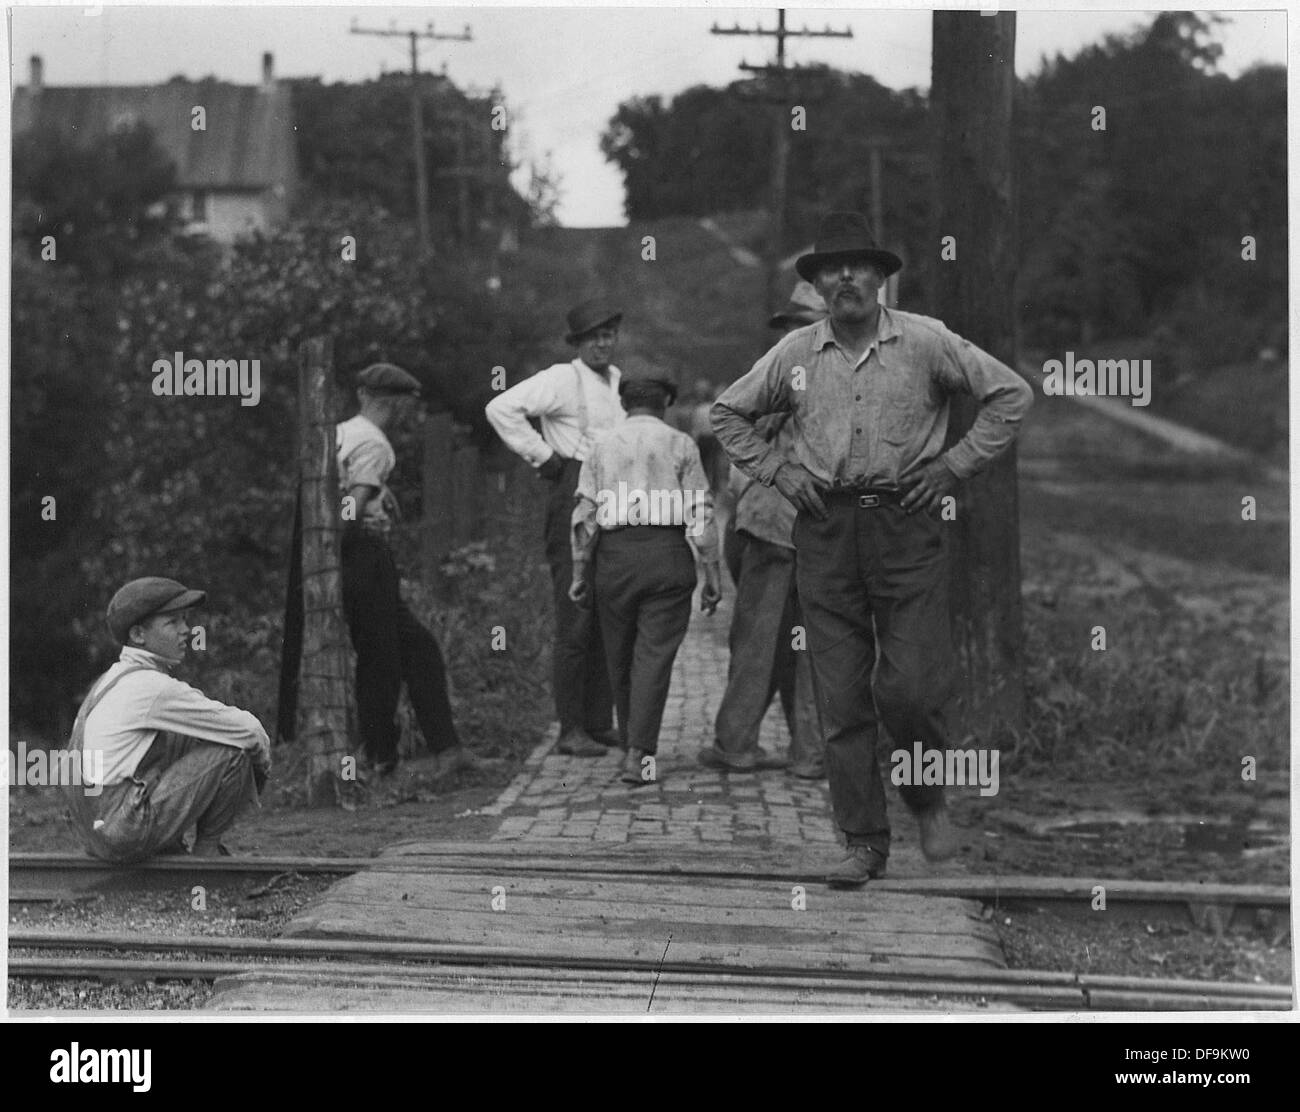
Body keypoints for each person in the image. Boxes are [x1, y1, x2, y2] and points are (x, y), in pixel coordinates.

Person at [712, 211, 1034, 887]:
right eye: (832, 269)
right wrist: (778, 472)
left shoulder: (926, 342)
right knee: (841, 700)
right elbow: (727, 414)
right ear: (818, 283)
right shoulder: (795, 353)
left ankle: (926, 800)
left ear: (881, 278)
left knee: (909, 688)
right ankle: (863, 842)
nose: (846, 279)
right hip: (823, 530)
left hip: (906, 526)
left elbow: (1010, 394)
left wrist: (954, 466)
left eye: (859, 267)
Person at [485, 300, 625, 758]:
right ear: (578, 343)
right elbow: (500, 407)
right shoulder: (562, 378)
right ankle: (571, 728)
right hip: (573, 491)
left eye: (608, 335)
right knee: (576, 611)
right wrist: (544, 457)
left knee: (606, 609)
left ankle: (598, 720)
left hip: (614, 495)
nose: (602, 343)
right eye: (593, 337)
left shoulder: (617, 381)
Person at [570, 377, 722, 785]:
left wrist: (580, 571)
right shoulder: (681, 444)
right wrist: (712, 571)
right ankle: (640, 751)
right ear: (666, 403)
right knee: (653, 657)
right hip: (666, 557)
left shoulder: (600, 446)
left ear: (623, 403)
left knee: (618, 656)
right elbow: (700, 510)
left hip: (615, 560)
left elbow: (585, 514)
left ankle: (631, 744)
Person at [702, 281, 827, 778]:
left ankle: (736, 743)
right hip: (819, 524)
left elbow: (738, 432)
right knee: (811, 642)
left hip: (772, 519)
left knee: (757, 636)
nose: (792, 335)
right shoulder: (848, 374)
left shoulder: (785, 371)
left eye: (800, 325)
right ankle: (810, 751)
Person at [338, 362, 481, 779]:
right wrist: (349, 536)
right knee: (382, 658)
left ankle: (442, 750)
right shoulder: (375, 444)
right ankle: (381, 758)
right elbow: (351, 507)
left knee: (415, 649)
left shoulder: (341, 432)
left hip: (348, 555)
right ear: (397, 405)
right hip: (363, 555)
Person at [68, 577, 269, 862]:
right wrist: (260, 771)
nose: (186, 630)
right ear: (139, 634)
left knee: (191, 734)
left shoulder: (109, 680)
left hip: (93, 832)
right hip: (123, 831)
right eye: (172, 622)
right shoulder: (152, 687)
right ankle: (208, 850)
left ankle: (169, 846)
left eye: (185, 619)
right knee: (234, 751)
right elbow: (250, 730)